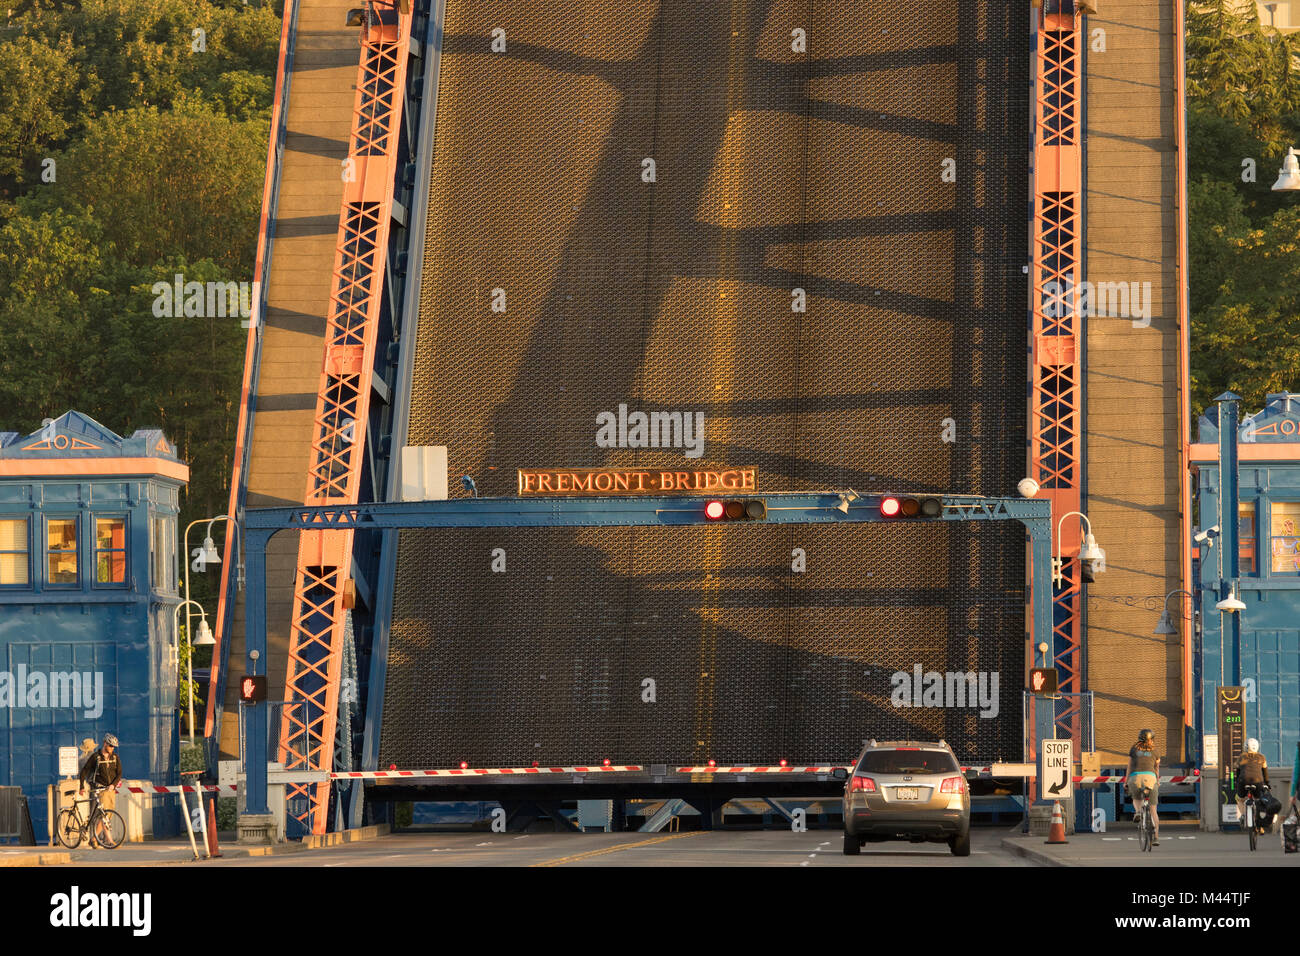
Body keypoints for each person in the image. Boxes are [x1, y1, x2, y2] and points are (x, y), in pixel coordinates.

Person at [78, 733, 122, 847]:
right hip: (100, 789)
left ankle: (93, 838)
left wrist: (113, 784)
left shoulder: (115, 758)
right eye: (110, 746)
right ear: (105, 744)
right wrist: (81, 786)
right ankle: (109, 840)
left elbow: (119, 773)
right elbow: (84, 771)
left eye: (114, 747)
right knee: (104, 815)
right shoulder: (95, 757)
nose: (112, 748)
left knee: (107, 815)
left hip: (111, 790)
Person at [1127, 728, 1161, 846]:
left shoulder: (1134, 749)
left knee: (1136, 799)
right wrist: (1157, 780)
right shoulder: (1155, 751)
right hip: (1151, 779)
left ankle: (1137, 812)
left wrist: (1126, 781)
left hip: (1136, 778)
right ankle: (1156, 837)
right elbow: (1156, 768)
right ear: (1151, 739)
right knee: (1153, 810)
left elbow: (1129, 766)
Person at [1236, 738, 1275, 829]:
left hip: (1243, 781)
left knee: (1239, 798)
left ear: (1245, 747)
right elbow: (1265, 773)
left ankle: (1243, 815)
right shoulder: (1262, 757)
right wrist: (1267, 784)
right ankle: (1260, 822)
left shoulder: (1241, 757)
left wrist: (1237, 782)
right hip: (1258, 782)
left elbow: (1237, 772)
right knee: (1259, 799)